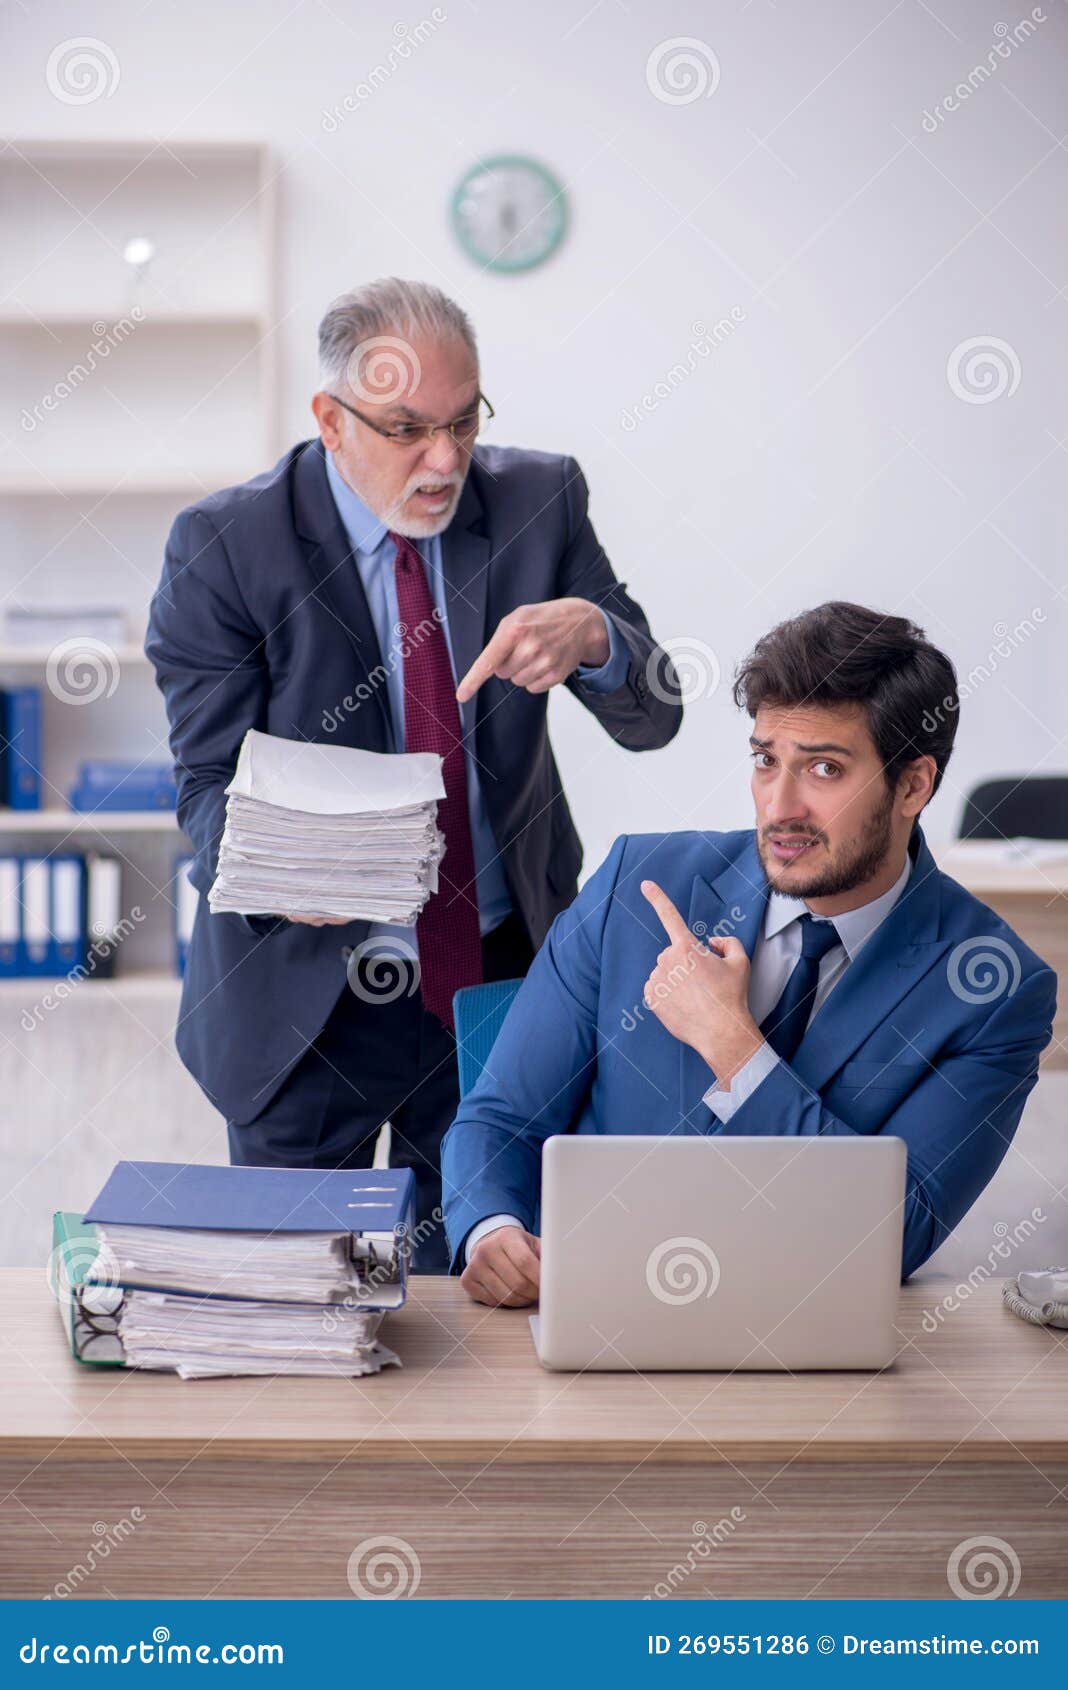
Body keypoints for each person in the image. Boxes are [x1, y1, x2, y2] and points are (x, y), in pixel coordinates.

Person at [146, 277, 682, 1270]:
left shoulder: (538, 500)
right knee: (305, 1308)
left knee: (490, 1306)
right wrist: (278, 867)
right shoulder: (226, 545)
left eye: (463, 422)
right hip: (305, 997)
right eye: (406, 429)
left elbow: (658, 713)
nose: (444, 461)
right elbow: (205, 784)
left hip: (492, 983)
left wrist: (602, 637)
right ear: (330, 419)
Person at [442, 601, 1057, 1303]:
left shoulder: (993, 992)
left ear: (913, 784)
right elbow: (502, 1119)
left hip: (810, 1344)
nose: (780, 806)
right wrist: (491, 1229)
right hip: (589, 1320)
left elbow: (893, 1236)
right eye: (767, 761)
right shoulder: (634, 888)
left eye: (825, 769)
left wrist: (733, 1045)